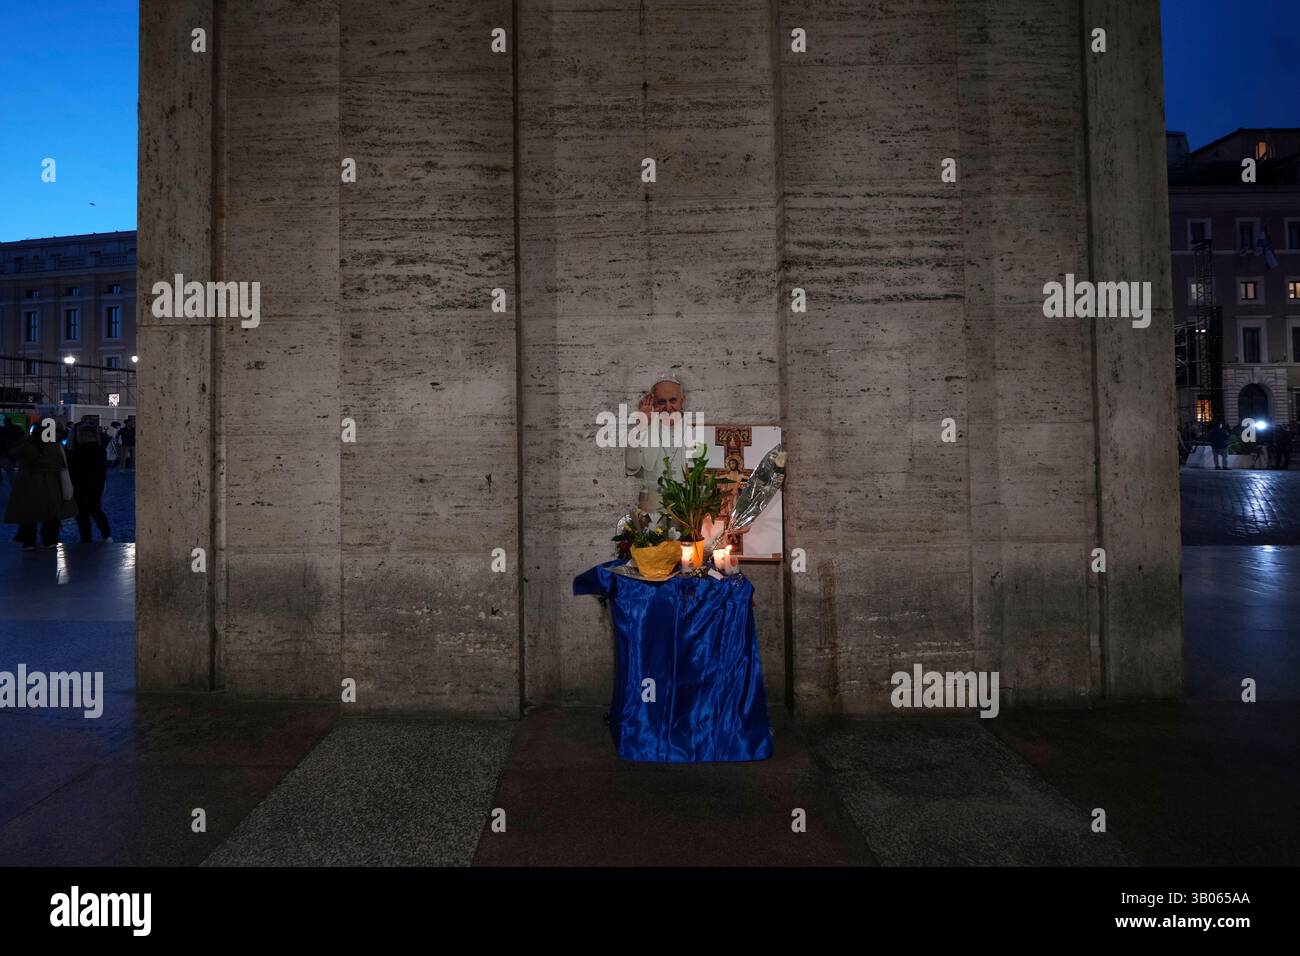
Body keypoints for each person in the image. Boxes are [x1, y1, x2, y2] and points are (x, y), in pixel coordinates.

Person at [624, 372, 692, 517]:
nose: (668, 407)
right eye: (662, 402)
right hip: (651, 512)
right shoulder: (645, 429)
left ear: (682, 401)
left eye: (673, 400)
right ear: (654, 404)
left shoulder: (693, 430)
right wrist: (642, 425)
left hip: (685, 514)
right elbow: (632, 468)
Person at [3, 423, 79, 551]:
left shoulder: (27, 446)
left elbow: (13, 452)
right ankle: (49, 540)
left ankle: (29, 542)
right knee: (51, 513)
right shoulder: (54, 447)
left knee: (28, 513)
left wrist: (25, 439)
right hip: (51, 483)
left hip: (28, 483)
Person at [68, 424, 112, 543]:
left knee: (82, 513)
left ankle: (86, 538)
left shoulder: (76, 452)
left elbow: (71, 468)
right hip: (97, 485)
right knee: (96, 509)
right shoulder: (100, 451)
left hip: (79, 486)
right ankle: (106, 535)